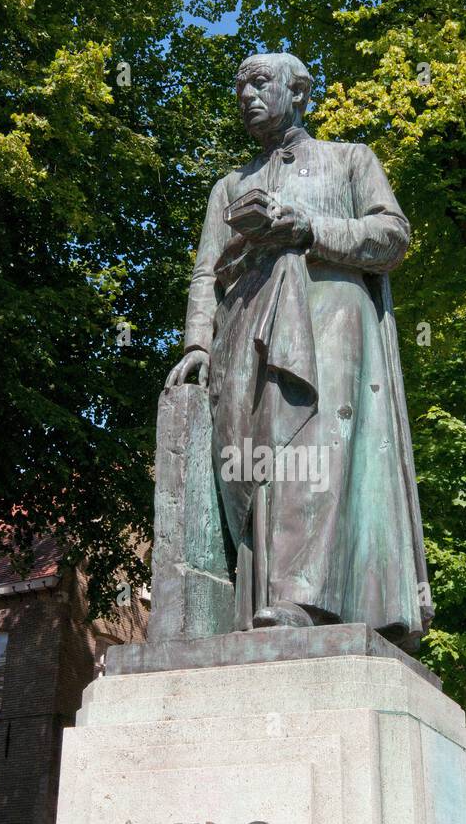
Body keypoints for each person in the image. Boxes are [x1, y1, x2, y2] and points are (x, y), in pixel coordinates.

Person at [165, 52, 432, 644]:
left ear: (300, 94)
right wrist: (198, 345)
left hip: (330, 314)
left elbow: (391, 235)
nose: (246, 96)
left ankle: (304, 597)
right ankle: (260, 595)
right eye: (239, 88)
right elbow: (206, 274)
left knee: (315, 450)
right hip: (245, 327)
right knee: (248, 463)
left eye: (260, 84)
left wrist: (308, 228)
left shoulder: (349, 160)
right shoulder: (229, 188)